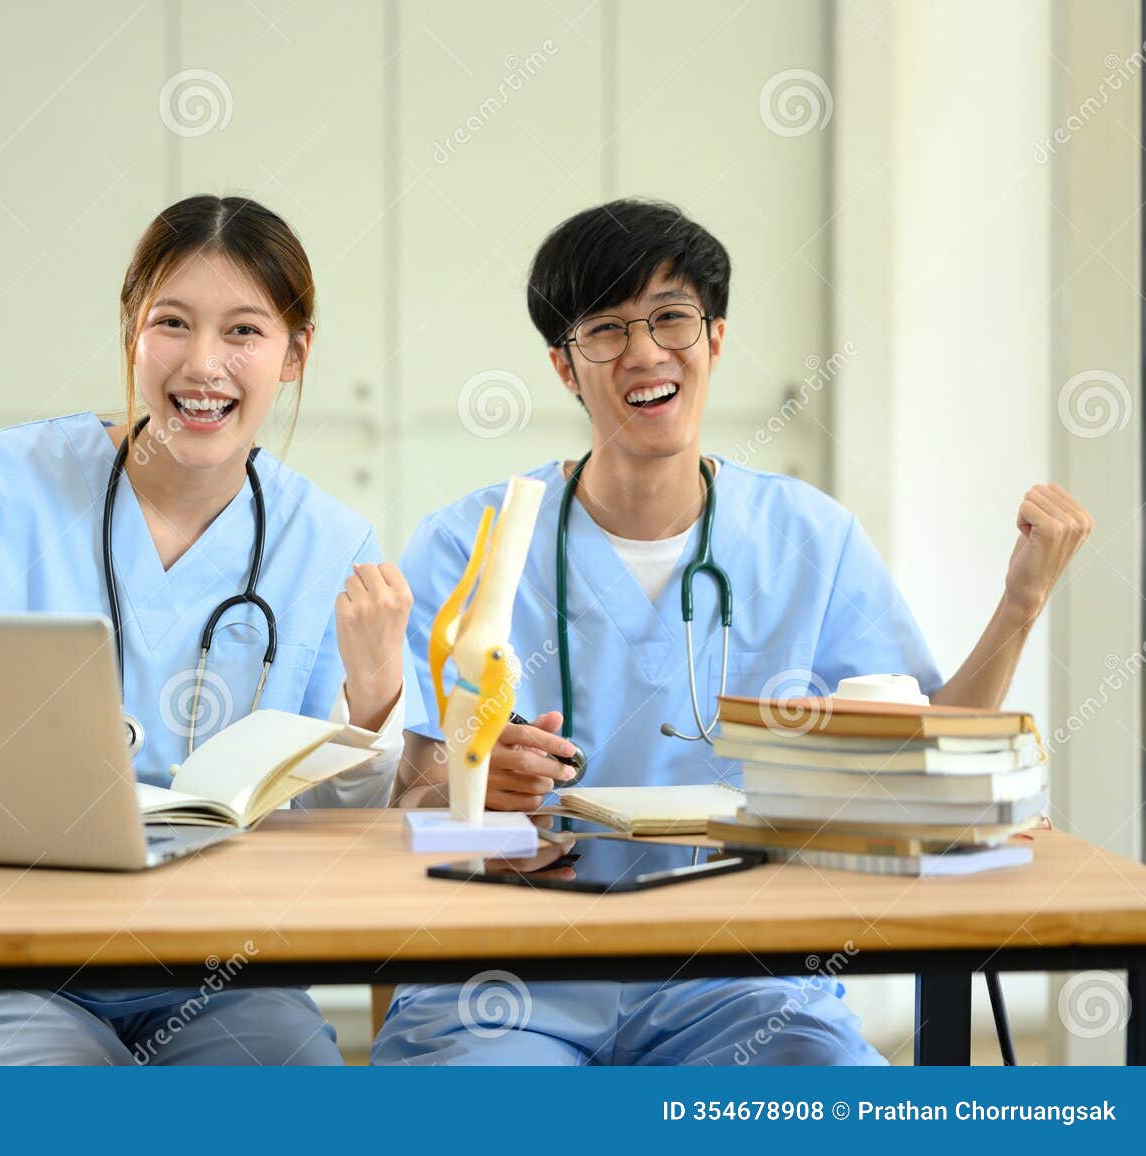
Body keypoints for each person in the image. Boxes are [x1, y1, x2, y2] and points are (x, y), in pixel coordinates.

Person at [377, 198, 1092, 1066]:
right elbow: (411, 799)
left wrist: (1019, 605)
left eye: (671, 317)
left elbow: (927, 770)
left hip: (740, 974)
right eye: (605, 329)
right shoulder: (471, 542)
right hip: (508, 975)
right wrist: (471, 796)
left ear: (715, 339)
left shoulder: (808, 537)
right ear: (565, 366)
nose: (645, 352)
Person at [0, 194, 419, 1065]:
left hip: (218, 973)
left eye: (243, 331)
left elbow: (338, 827)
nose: (203, 365)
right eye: (172, 323)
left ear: (295, 354)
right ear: (131, 332)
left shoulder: (328, 544)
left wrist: (378, 698)